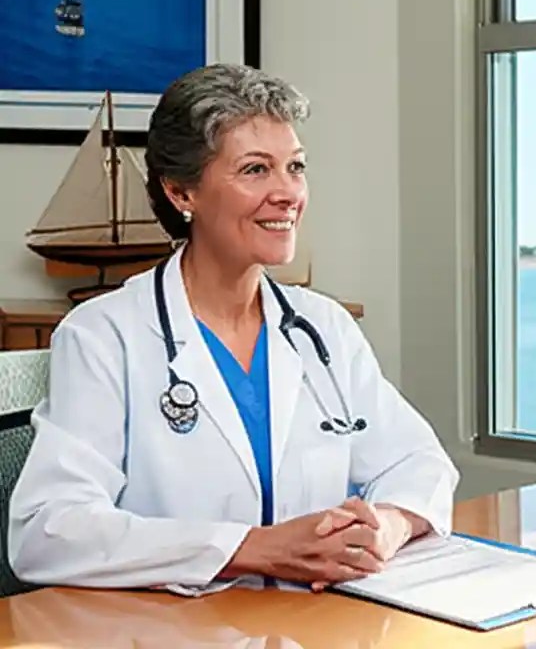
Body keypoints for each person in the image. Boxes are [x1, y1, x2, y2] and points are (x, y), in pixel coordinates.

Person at [8, 64, 460, 596]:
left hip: (312, 625)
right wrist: (253, 548)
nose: (287, 192)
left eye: (295, 167)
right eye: (255, 170)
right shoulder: (105, 335)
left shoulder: (323, 328)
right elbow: (48, 530)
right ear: (181, 192)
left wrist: (386, 526)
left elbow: (420, 462)